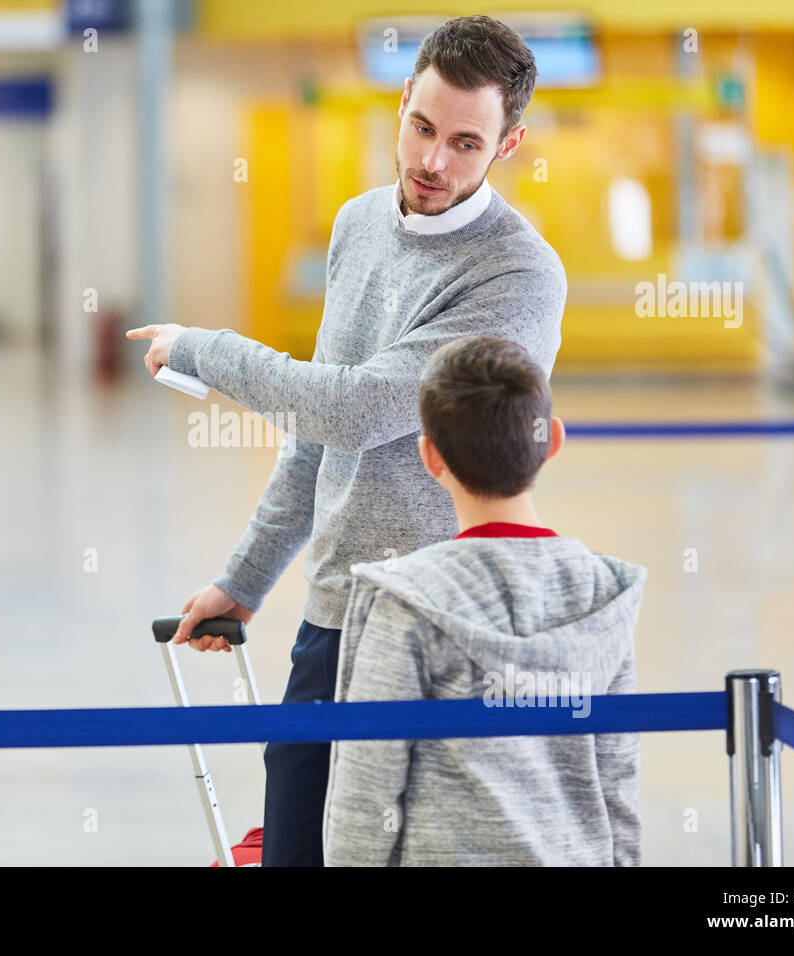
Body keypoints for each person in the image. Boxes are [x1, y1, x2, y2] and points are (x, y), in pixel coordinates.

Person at [128, 15, 567, 866]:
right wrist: (245, 580)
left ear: (509, 145)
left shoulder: (518, 274)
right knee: (295, 848)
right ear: (402, 100)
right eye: (422, 126)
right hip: (335, 617)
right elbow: (315, 438)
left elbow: (355, 411)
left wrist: (205, 349)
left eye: (466, 144)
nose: (432, 160)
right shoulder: (359, 225)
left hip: (446, 631)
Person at [323, 336, 646, 866]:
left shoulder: (405, 600)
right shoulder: (605, 593)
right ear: (552, 440)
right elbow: (617, 780)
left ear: (430, 456)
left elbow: (369, 786)